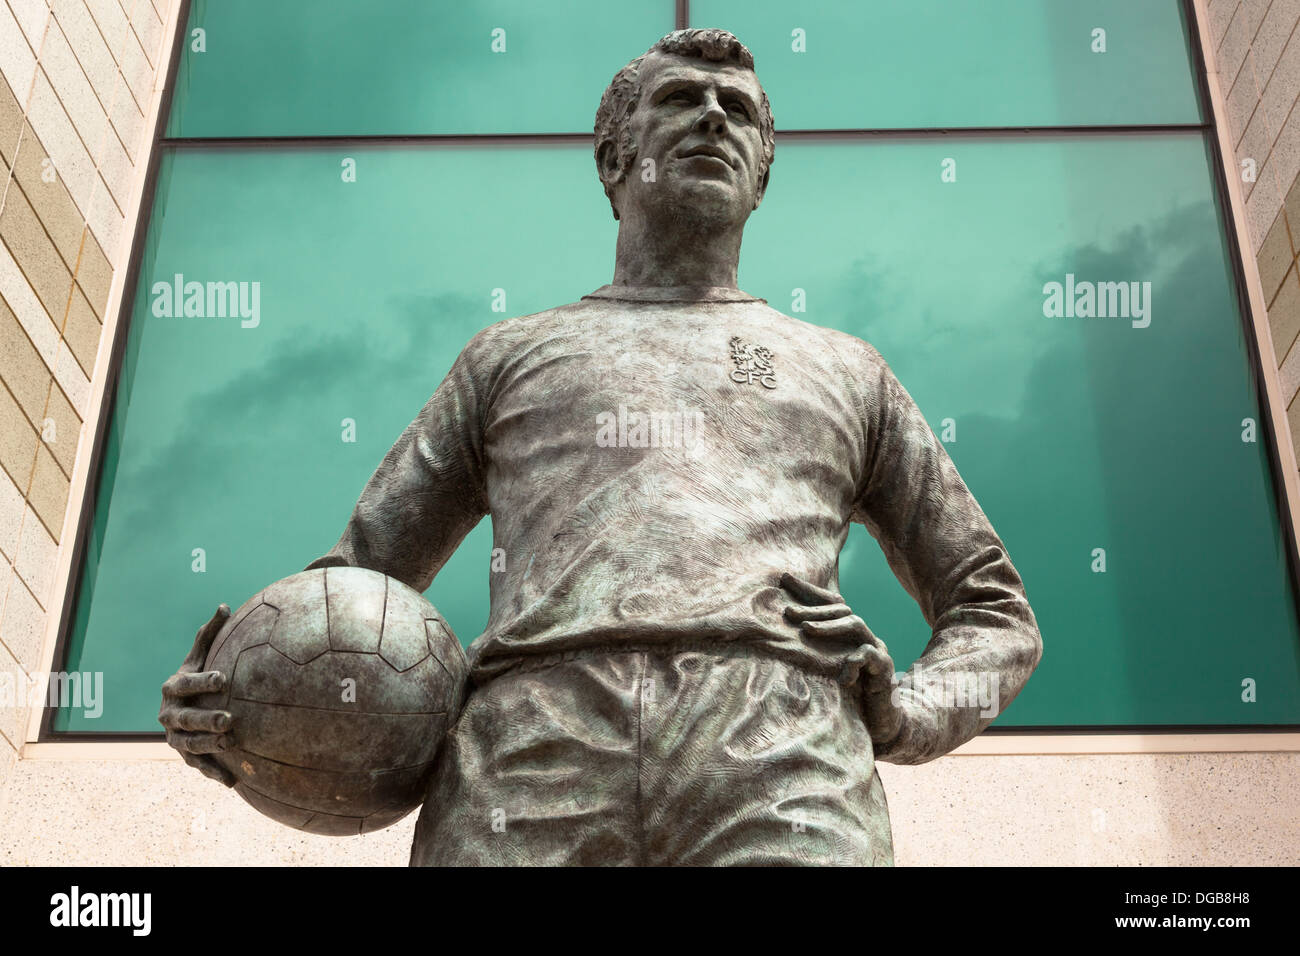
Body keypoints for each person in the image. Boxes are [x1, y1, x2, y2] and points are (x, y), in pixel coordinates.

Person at [159, 28, 1042, 865]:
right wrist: (242, 699)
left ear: (762, 175)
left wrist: (912, 709)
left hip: (783, 752)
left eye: (738, 110)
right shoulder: (508, 357)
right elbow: (357, 591)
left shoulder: (847, 370)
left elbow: (994, 611)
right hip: (531, 749)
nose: (713, 119)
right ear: (617, 157)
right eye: (682, 100)